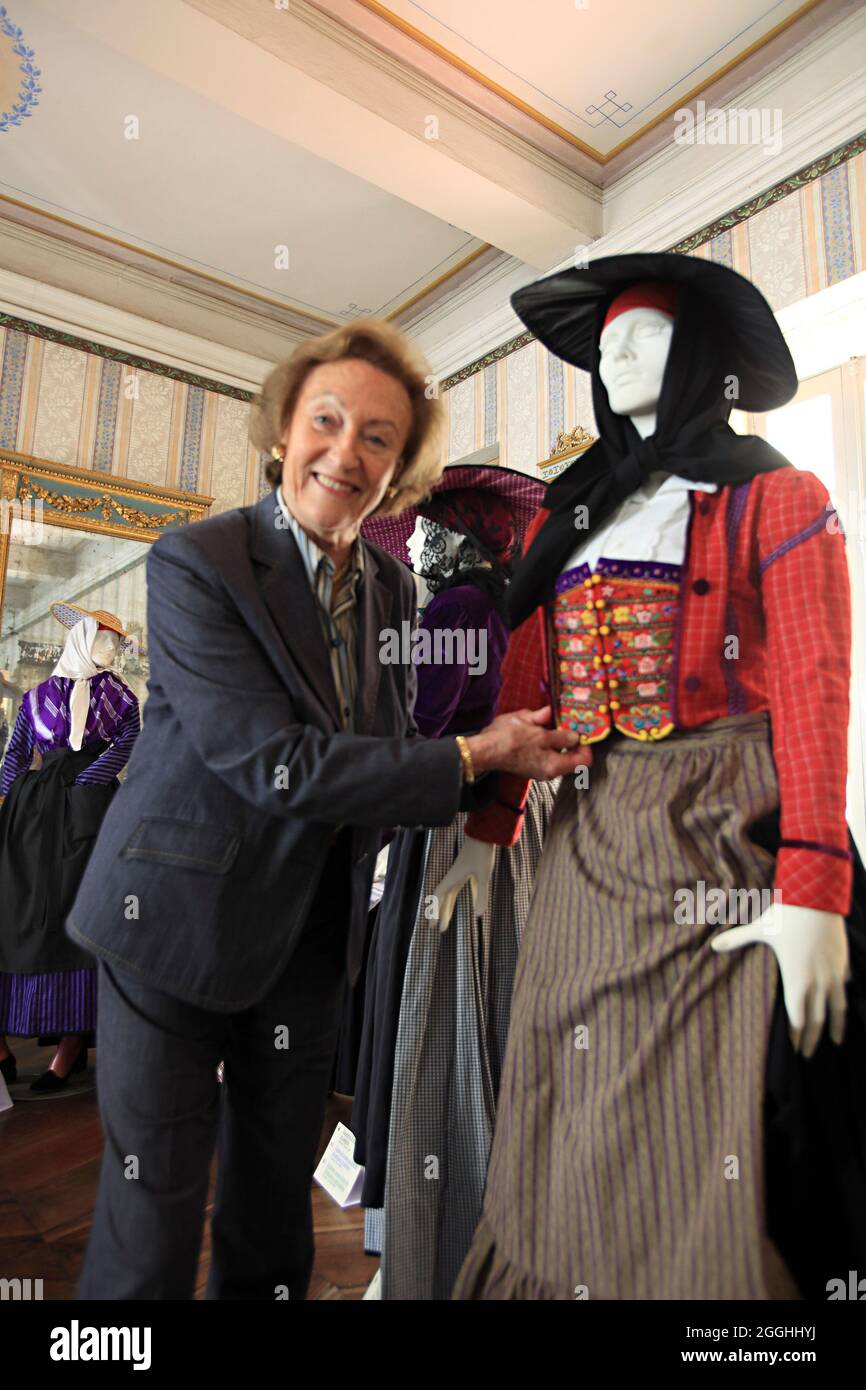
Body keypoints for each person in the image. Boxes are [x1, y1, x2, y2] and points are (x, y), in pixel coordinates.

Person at [65, 318, 590, 1300]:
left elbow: (387, 753)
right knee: (152, 1224)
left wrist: (513, 766)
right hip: (168, 929)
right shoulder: (199, 561)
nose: (347, 450)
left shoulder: (395, 590)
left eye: (378, 435)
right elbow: (275, 765)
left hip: (306, 942)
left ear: (397, 469)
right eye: (327, 419)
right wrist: (474, 751)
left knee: (272, 1229)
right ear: (283, 430)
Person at [441, 255, 865, 1300]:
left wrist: (813, 887)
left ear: (701, 362)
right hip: (586, 834)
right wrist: (482, 829)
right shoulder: (570, 513)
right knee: (564, 1074)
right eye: (607, 340)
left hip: (723, 817)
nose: (614, 351)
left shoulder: (772, 492)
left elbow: (812, 688)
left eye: (645, 334)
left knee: (704, 1098)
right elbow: (528, 679)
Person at [354, 463, 556, 1298]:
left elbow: (419, 727)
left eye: (435, 530)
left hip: (456, 822)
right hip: (514, 825)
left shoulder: (455, 609)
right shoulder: (523, 606)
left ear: (470, 534)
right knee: (498, 1009)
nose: (422, 546)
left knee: (442, 1015)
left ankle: (437, 1238)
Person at [0, 607, 139, 1091]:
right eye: (106, 639)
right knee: (20, 912)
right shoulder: (36, 696)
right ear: (83, 637)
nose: (113, 649)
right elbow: (16, 751)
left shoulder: (120, 697)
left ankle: (73, 1042)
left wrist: (87, 782)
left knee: (77, 914)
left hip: (89, 813)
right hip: (35, 816)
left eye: (118, 643)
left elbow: (128, 741)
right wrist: (14, 797)